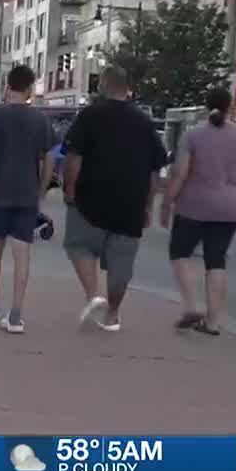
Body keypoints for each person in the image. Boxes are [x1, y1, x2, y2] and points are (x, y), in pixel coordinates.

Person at [62, 66, 166, 332]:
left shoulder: (90, 115)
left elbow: (74, 156)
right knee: (121, 263)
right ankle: (113, 314)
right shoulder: (144, 122)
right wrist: (148, 205)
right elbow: (156, 169)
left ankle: (93, 295)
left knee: (79, 246)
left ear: (103, 86)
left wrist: (70, 188)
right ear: (126, 88)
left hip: (90, 198)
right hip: (130, 203)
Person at [161, 88, 236, 336]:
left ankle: (191, 305)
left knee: (179, 252)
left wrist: (167, 202)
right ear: (230, 106)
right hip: (230, 206)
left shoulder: (193, 136)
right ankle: (214, 321)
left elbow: (180, 173)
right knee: (216, 260)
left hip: (193, 205)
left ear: (206, 106)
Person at [0, 65, 57, 335]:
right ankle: (16, 315)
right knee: (22, 252)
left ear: (8, 86)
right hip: (27, 193)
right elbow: (50, 158)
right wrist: (41, 188)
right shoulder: (40, 120)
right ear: (30, 89)